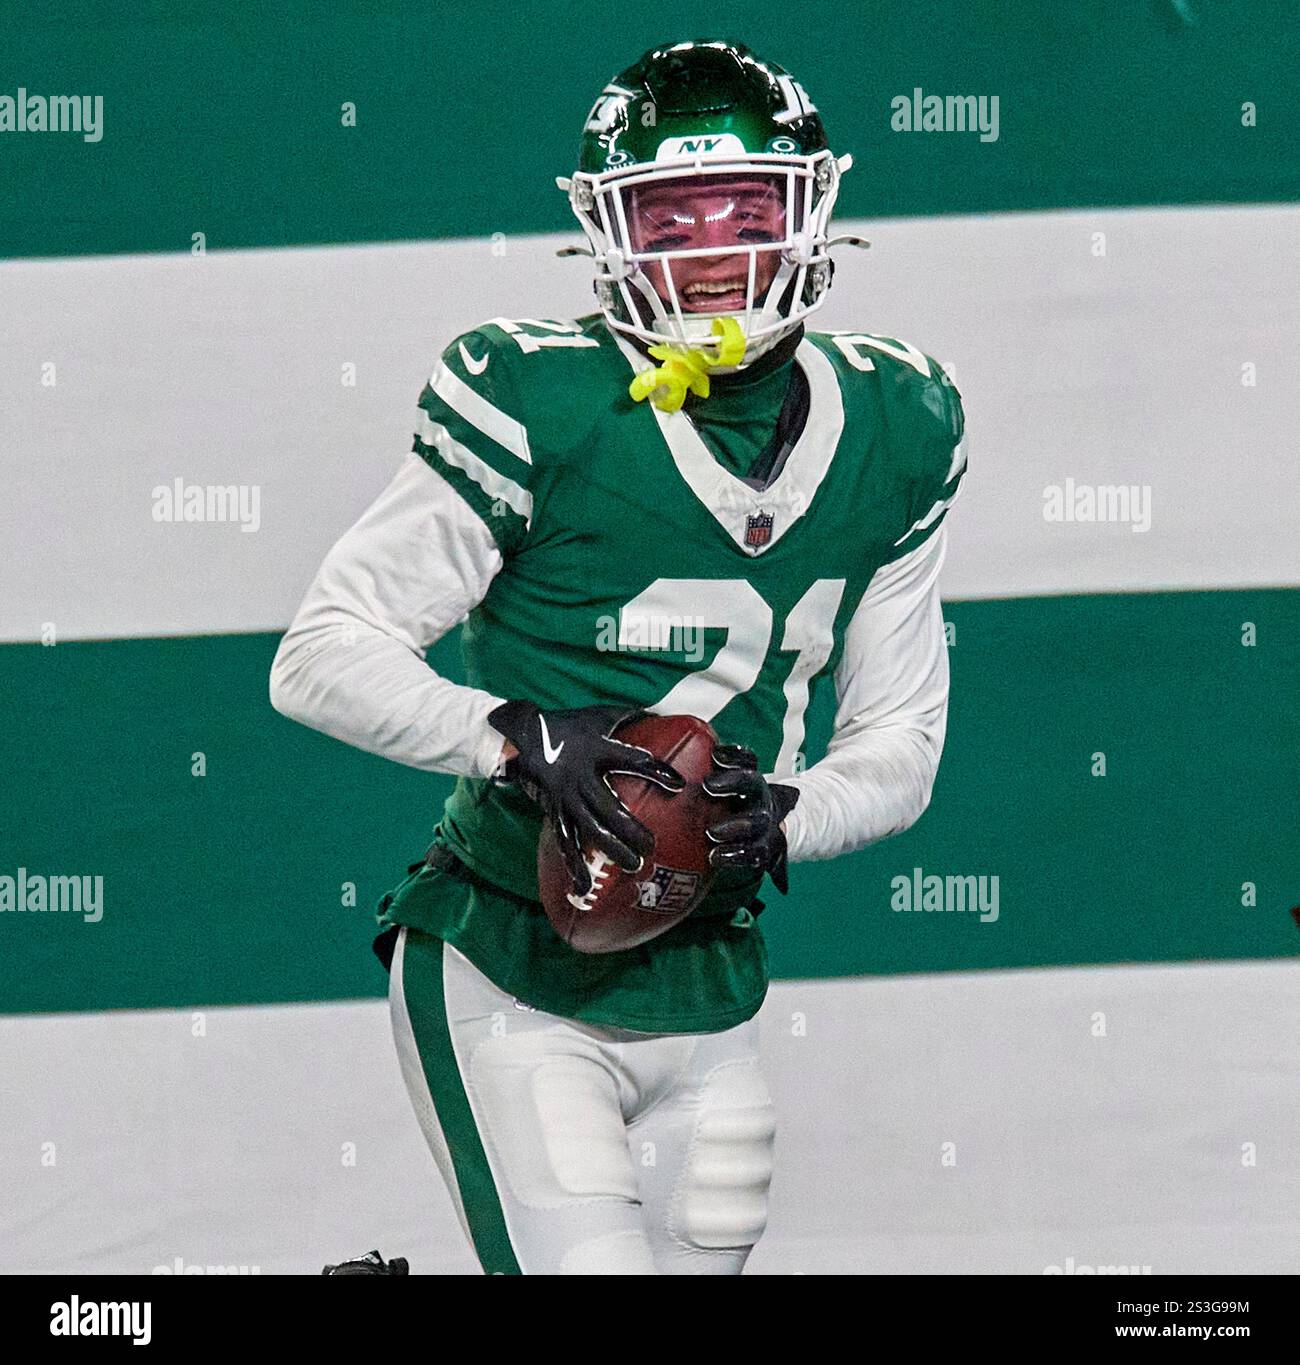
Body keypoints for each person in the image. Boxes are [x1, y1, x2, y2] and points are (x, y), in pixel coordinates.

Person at [271, 38, 966, 1275]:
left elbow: (902, 746)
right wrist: (520, 738)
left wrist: (784, 817)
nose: (713, 248)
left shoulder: (904, 420)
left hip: (712, 971)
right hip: (507, 954)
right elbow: (321, 654)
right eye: (671, 214)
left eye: (745, 207)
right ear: (609, 232)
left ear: (812, 212)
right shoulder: (537, 393)